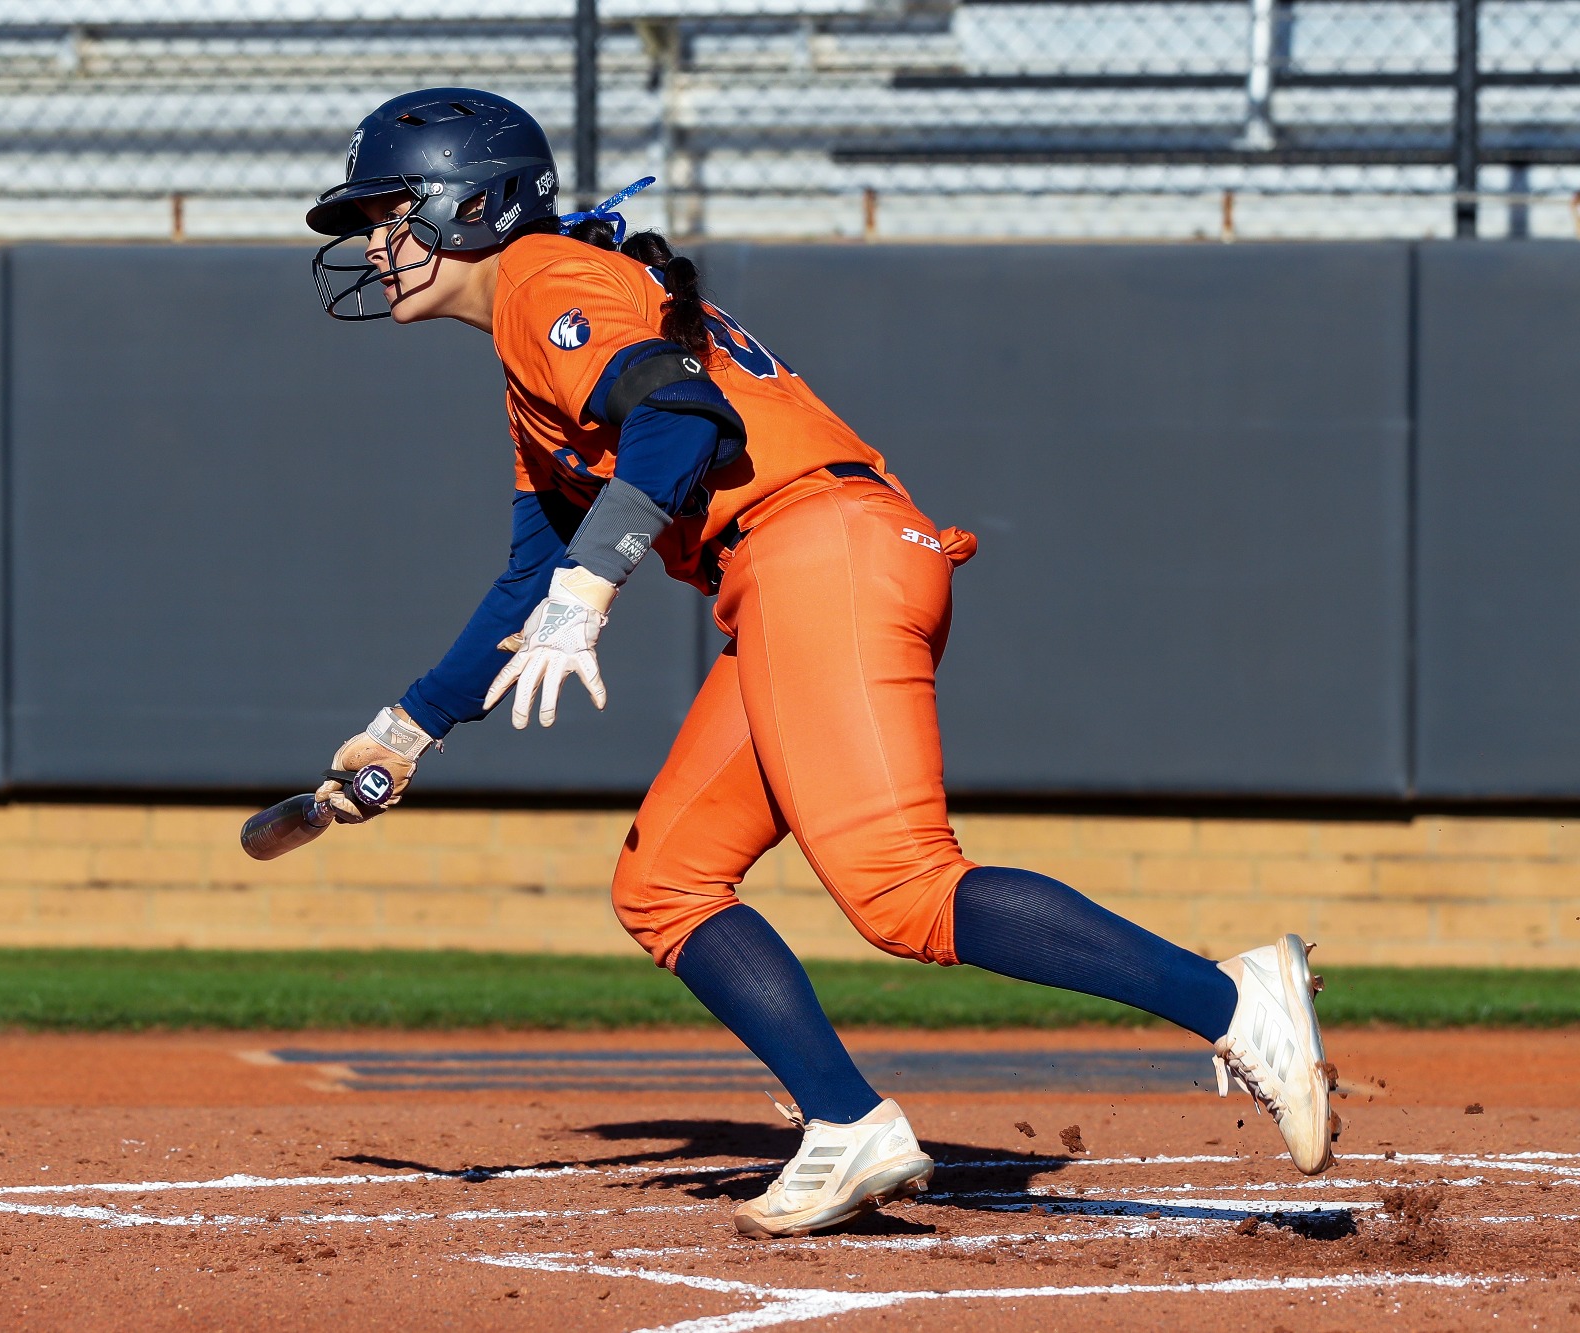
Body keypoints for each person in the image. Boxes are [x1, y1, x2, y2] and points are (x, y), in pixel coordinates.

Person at [303, 88, 1338, 1239]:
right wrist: (408, 727)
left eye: (387, 210)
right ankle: (845, 1124)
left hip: (819, 552)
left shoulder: (546, 279)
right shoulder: (528, 351)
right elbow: (522, 577)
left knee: (900, 891)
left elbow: (680, 417)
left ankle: (1232, 999)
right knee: (665, 884)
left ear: (473, 202)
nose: (371, 242)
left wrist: (593, 585)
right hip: (798, 568)